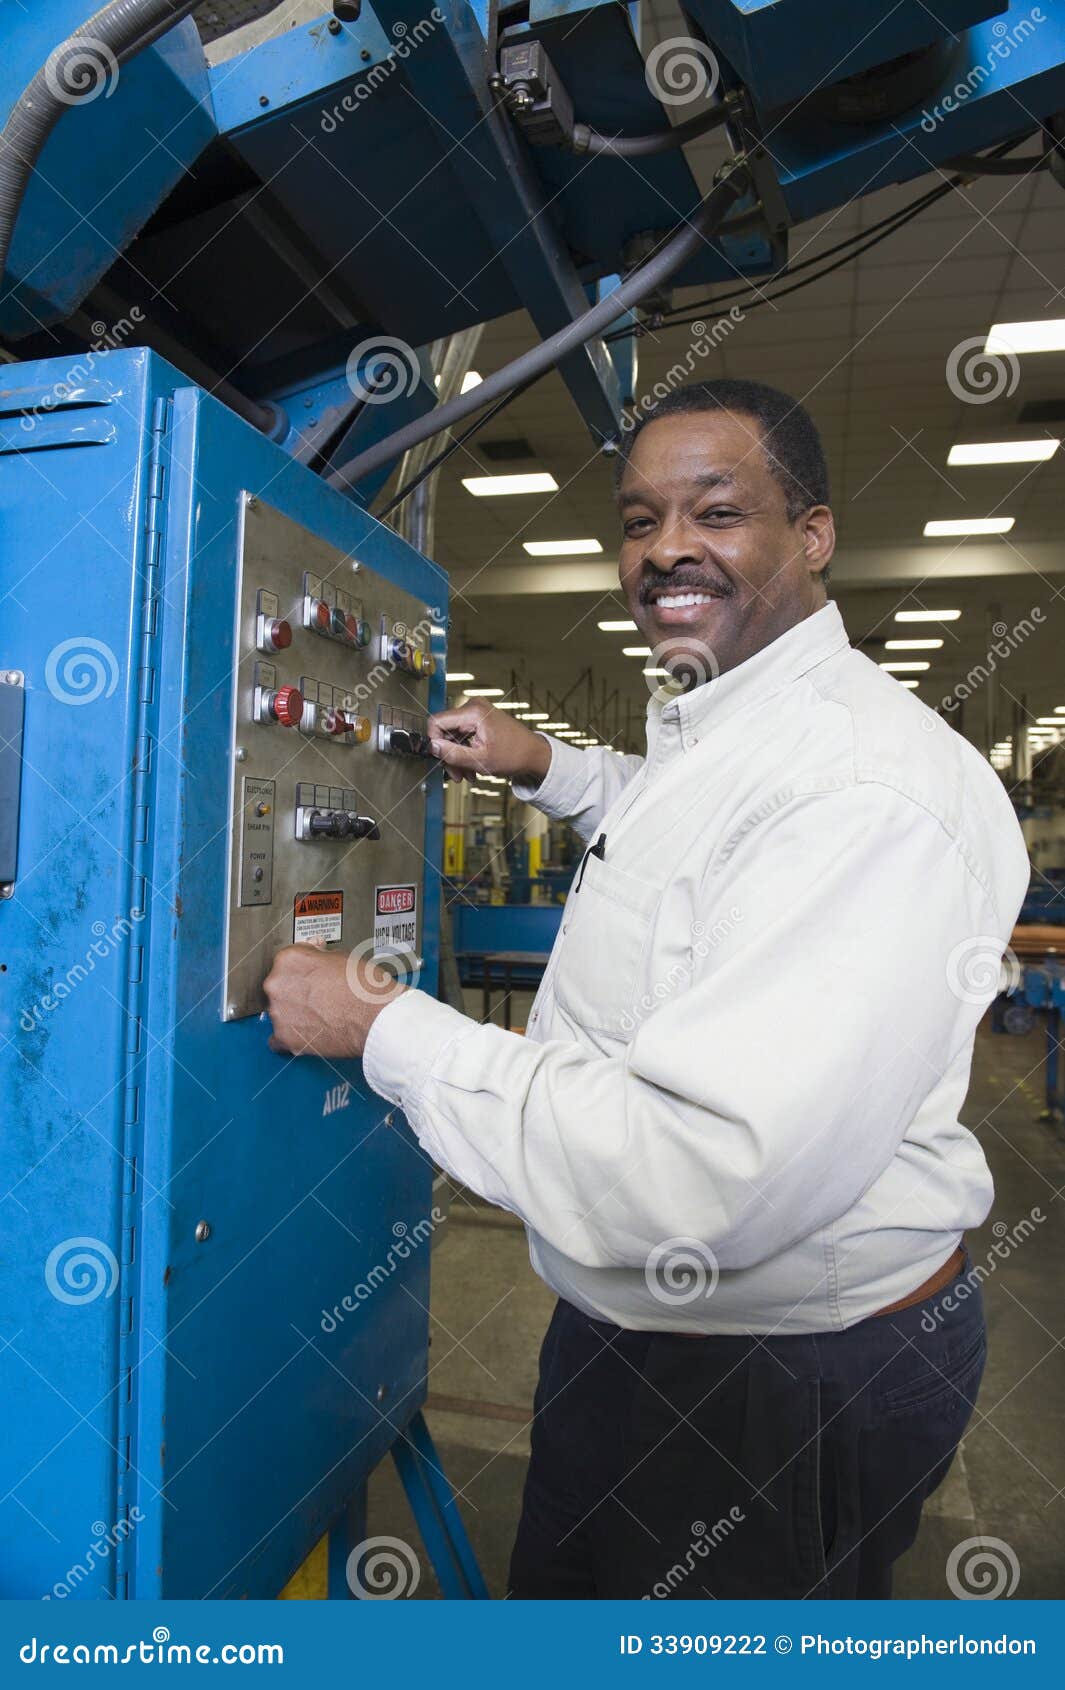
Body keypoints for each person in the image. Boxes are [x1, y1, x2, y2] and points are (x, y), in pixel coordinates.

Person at [264, 379, 1029, 1598]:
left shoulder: (865, 791)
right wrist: (549, 766)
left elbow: (692, 1176)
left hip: (770, 1383)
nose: (666, 547)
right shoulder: (736, 732)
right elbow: (695, 839)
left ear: (814, 534)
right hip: (651, 1341)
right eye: (637, 520)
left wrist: (385, 1027)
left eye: (716, 511)